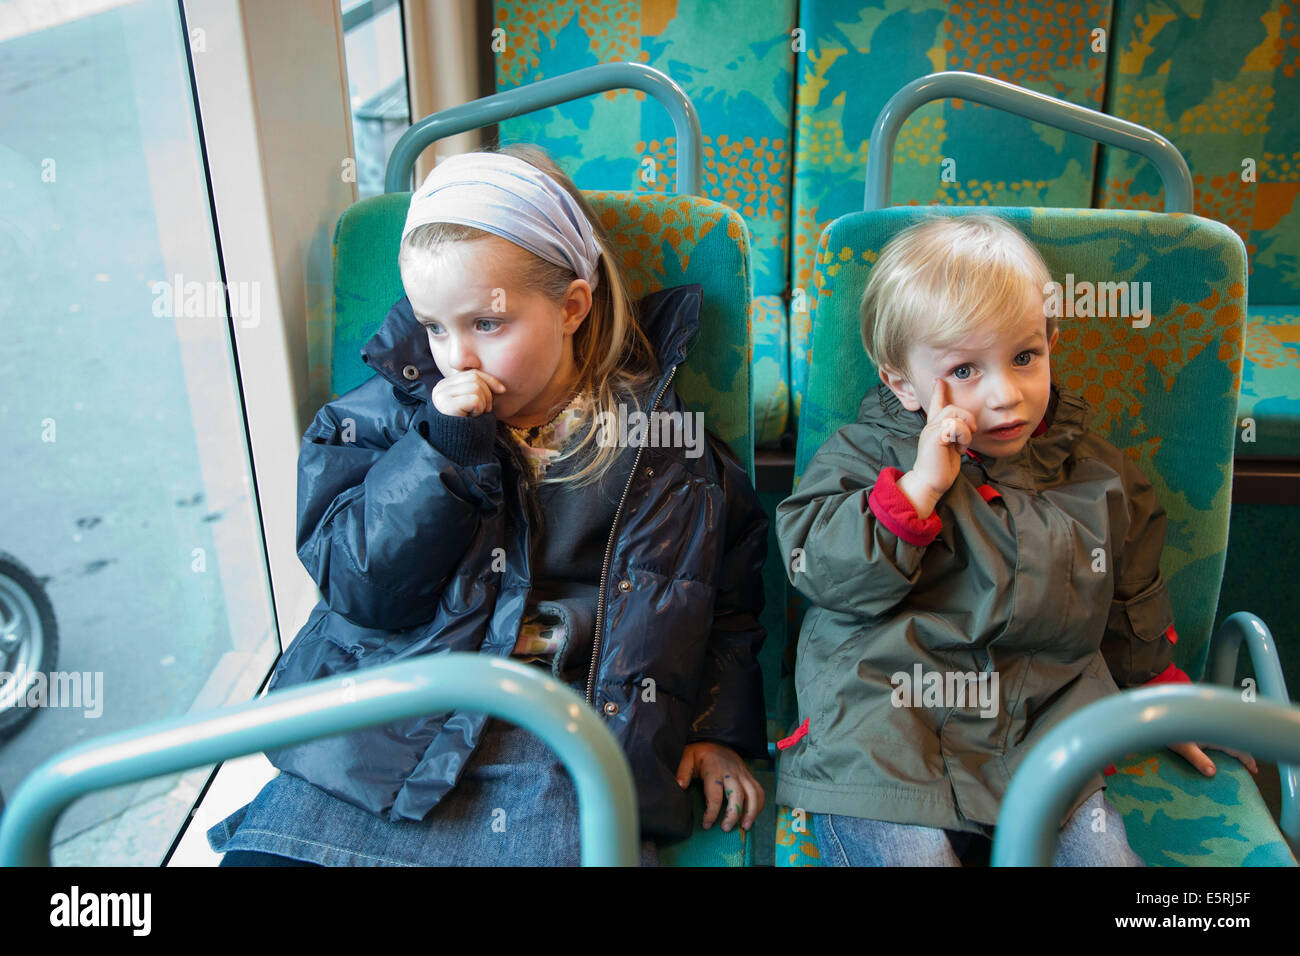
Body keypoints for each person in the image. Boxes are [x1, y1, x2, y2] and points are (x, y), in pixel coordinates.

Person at [208, 144, 769, 866]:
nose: (456, 358)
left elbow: (720, 595)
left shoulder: (663, 446)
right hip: (391, 712)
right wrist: (440, 455)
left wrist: (714, 725)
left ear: (571, 308)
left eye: (486, 325)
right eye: (436, 328)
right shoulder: (379, 423)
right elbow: (360, 586)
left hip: (562, 730)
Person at [774, 214, 1255, 867]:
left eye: (1025, 357)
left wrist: (1161, 689)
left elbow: (1130, 596)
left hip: (1043, 724)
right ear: (901, 383)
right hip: (881, 724)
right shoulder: (864, 456)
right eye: (965, 370)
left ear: (1051, 342)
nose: (1006, 396)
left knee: (1105, 859)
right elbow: (820, 570)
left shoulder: (1100, 474)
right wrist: (916, 490)